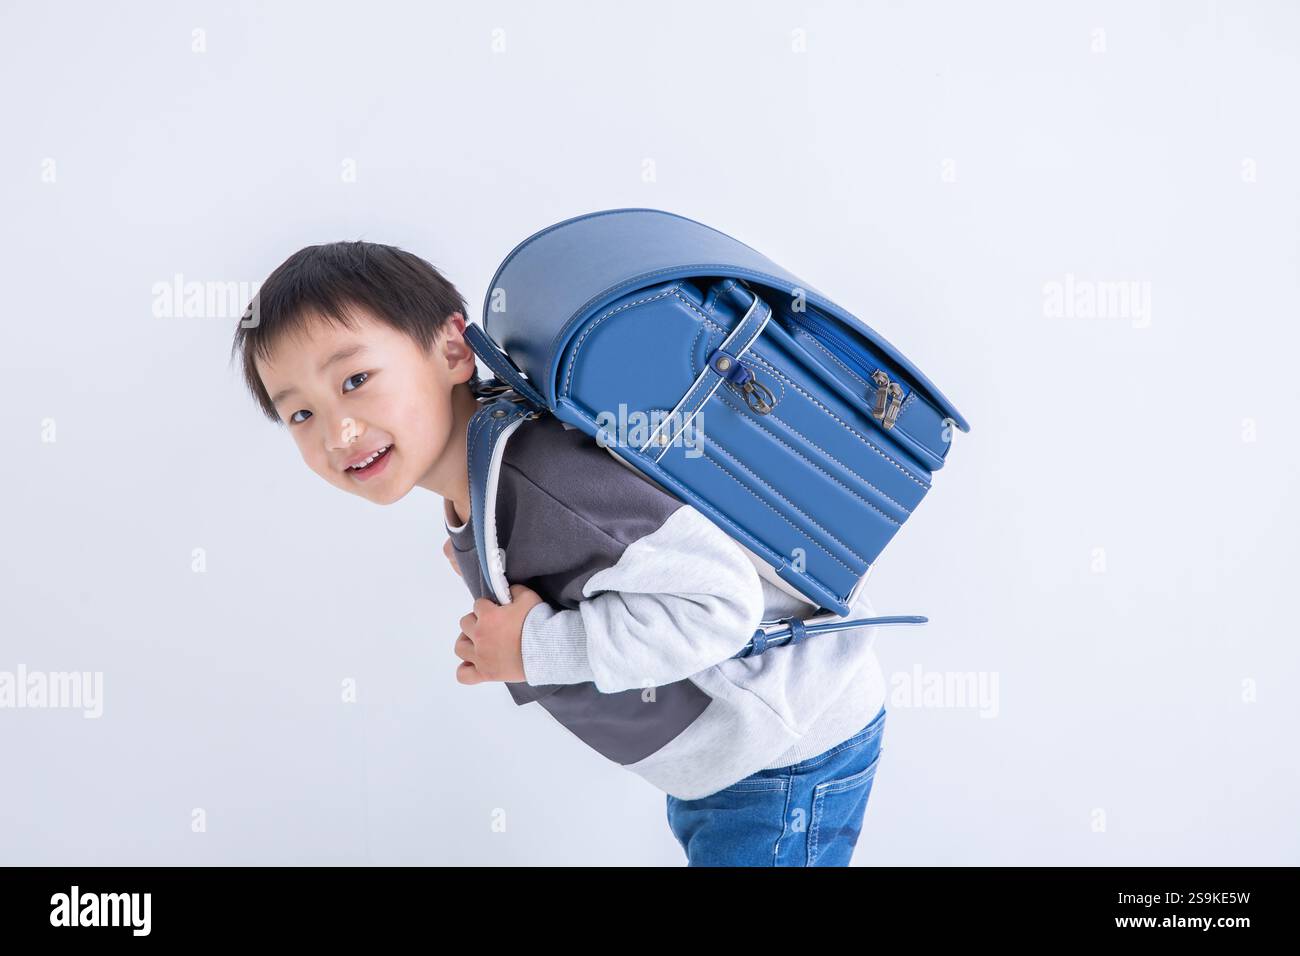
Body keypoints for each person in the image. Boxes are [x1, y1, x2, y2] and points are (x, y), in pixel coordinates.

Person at [231, 240, 889, 866]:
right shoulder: (487, 474)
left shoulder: (542, 480)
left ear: (454, 350)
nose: (337, 432)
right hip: (729, 760)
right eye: (300, 415)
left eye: (354, 381)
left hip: (783, 751)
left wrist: (531, 649)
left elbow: (722, 605)